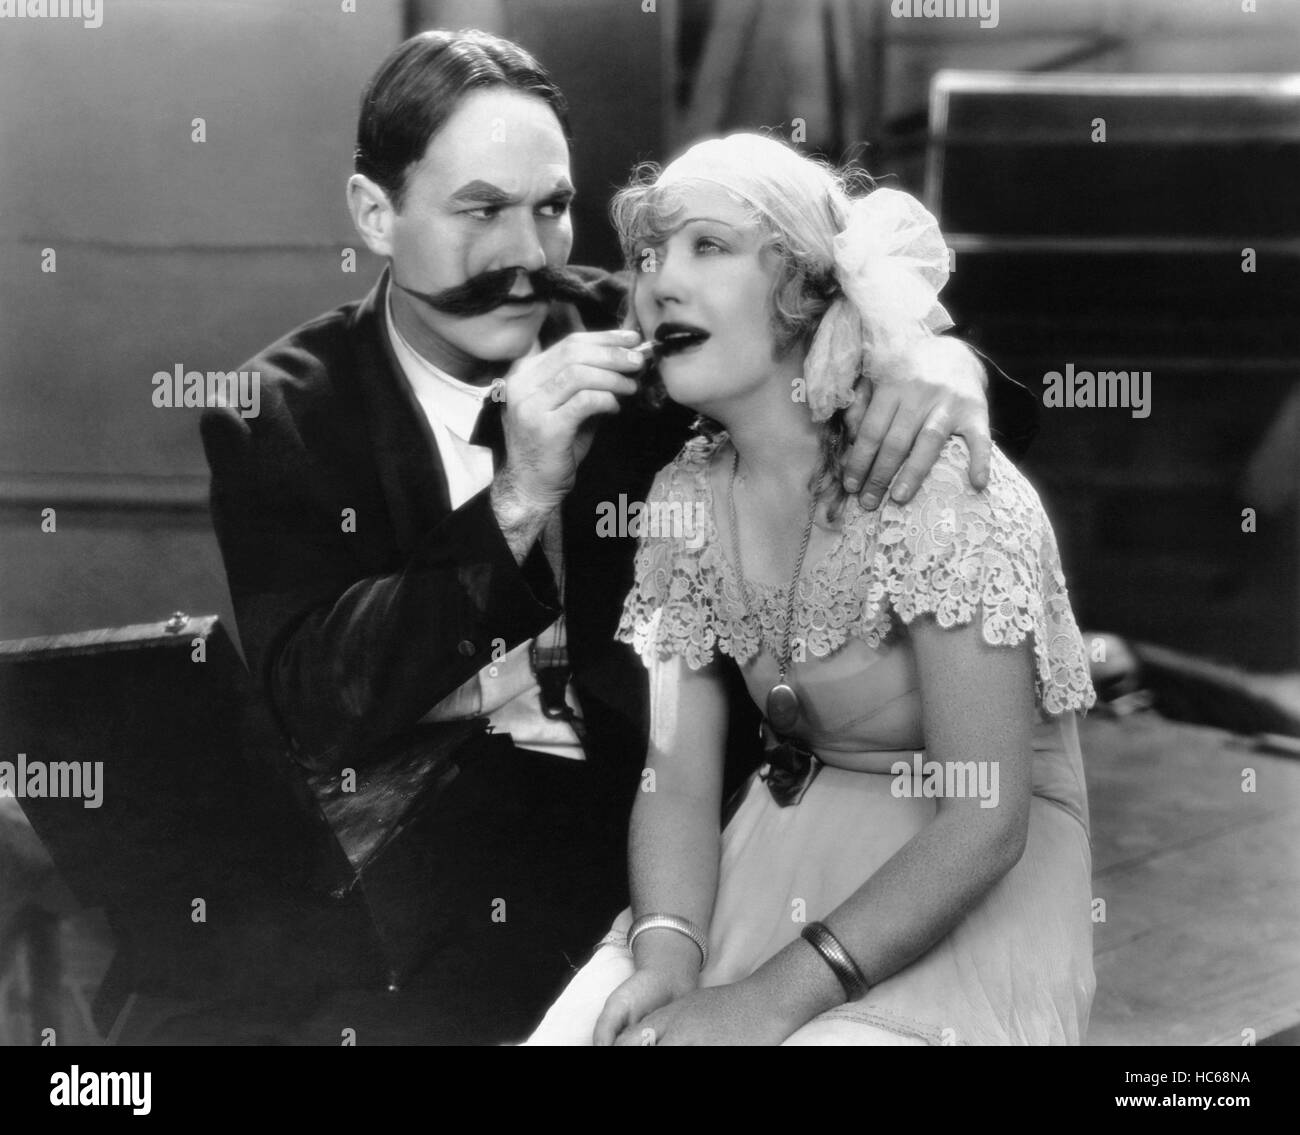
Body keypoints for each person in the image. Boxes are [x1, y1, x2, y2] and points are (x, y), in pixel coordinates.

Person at [182, 31, 1032, 1045]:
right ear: (376, 214)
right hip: (420, 841)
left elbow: (908, 398)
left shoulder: (653, 337)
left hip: (667, 822)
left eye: (549, 206)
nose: (527, 255)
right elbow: (319, 705)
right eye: (480, 210)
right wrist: (519, 497)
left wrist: (940, 369)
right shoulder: (279, 410)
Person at [525, 134, 1096, 1046]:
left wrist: (770, 999)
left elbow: (986, 823)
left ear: (803, 288)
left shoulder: (938, 486)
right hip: (785, 837)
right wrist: (666, 955)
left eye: (706, 246)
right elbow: (674, 772)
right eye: (647, 254)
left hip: (965, 864)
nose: (660, 281)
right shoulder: (685, 495)